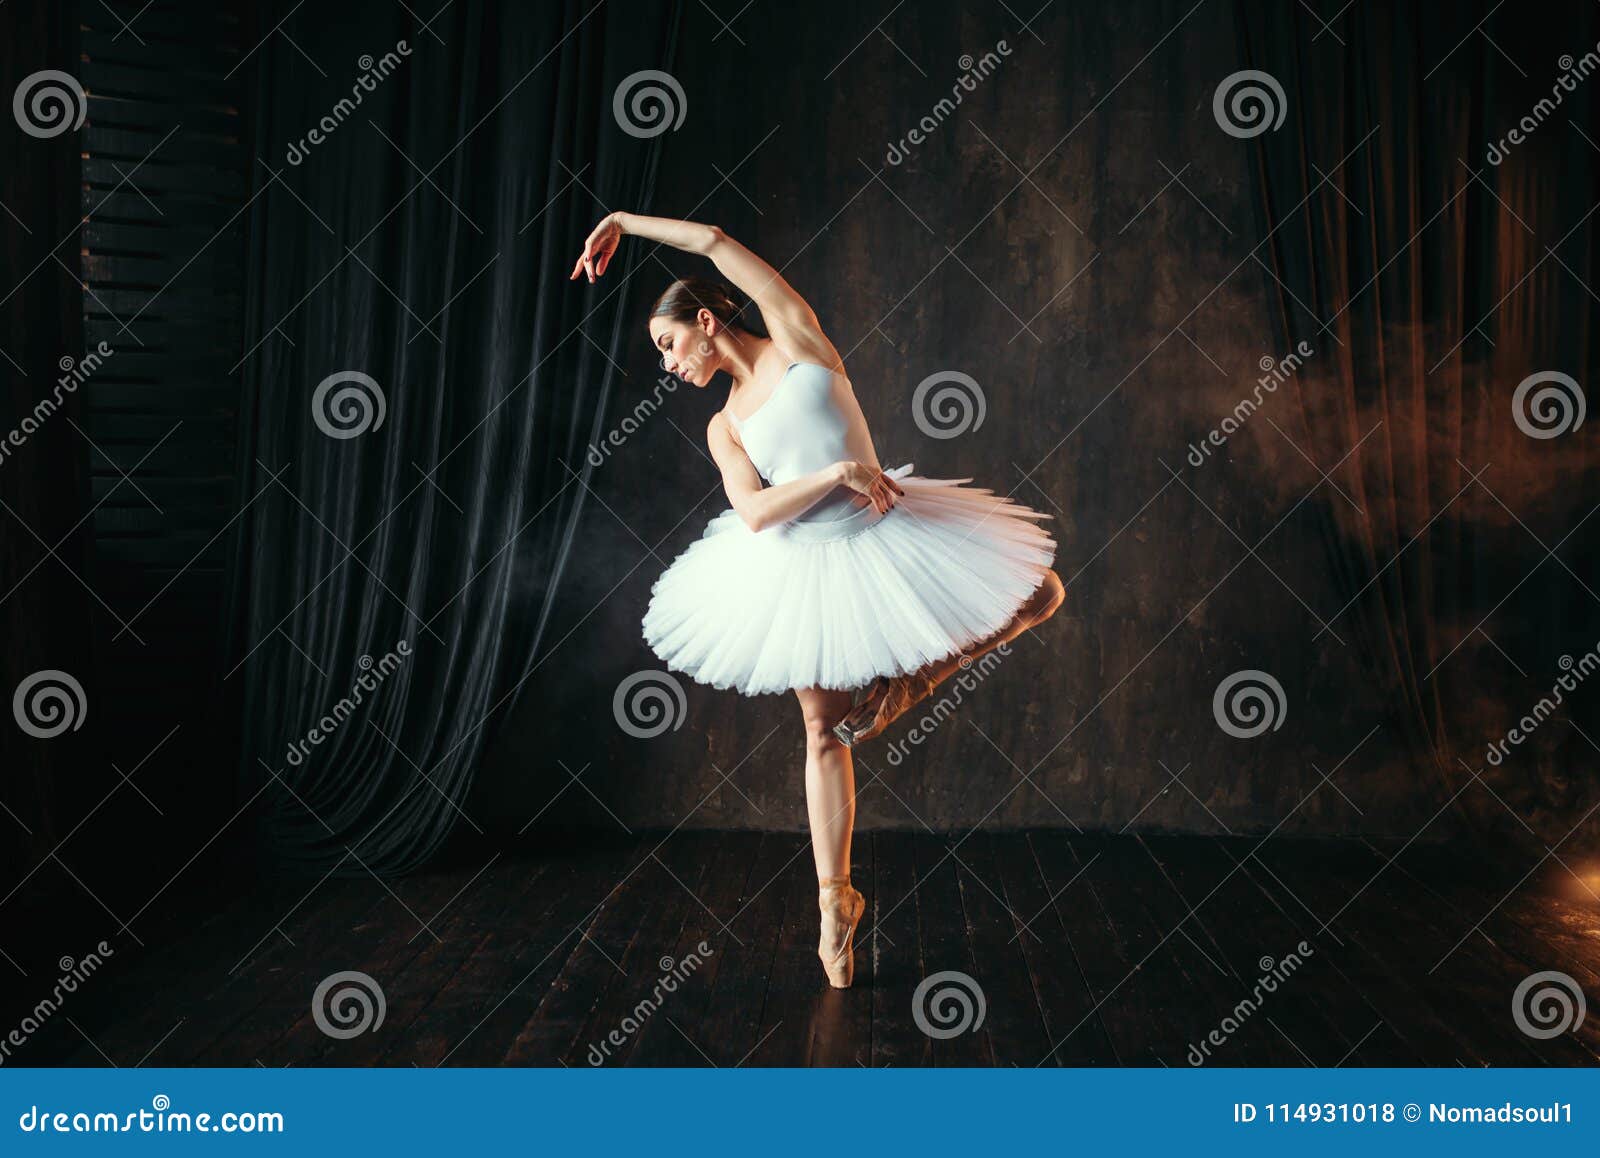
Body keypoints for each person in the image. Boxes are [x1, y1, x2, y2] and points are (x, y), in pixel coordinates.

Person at [571, 211, 1065, 988]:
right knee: (821, 729)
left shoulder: (799, 338)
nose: (666, 365)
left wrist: (626, 225)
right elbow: (758, 514)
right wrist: (836, 475)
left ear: (706, 321)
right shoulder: (724, 424)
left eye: (668, 345)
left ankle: (919, 679)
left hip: (890, 528)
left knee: (1041, 591)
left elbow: (712, 243)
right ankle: (836, 901)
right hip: (806, 559)